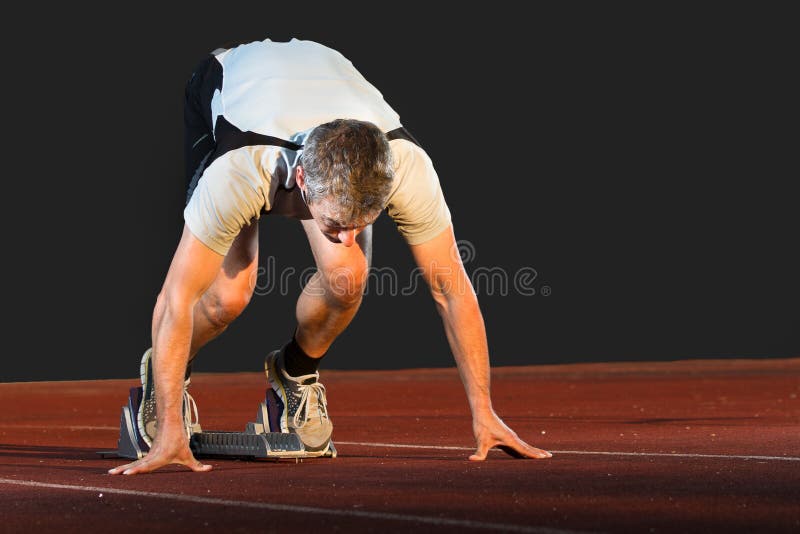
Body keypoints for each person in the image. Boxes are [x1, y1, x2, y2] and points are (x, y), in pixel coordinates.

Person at [109, 37, 551, 475]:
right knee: (229, 293)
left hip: (319, 75)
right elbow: (176, 299)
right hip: (231, 86)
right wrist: (169, 427)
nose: (347, 237)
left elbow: (451, 291)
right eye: (336, 225)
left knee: (348, 274)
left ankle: (295, 375)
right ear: (300, 179)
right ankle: (163, 376)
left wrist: (484, 411)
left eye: (361, 223)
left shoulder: (407, 167)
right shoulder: (243, 167)